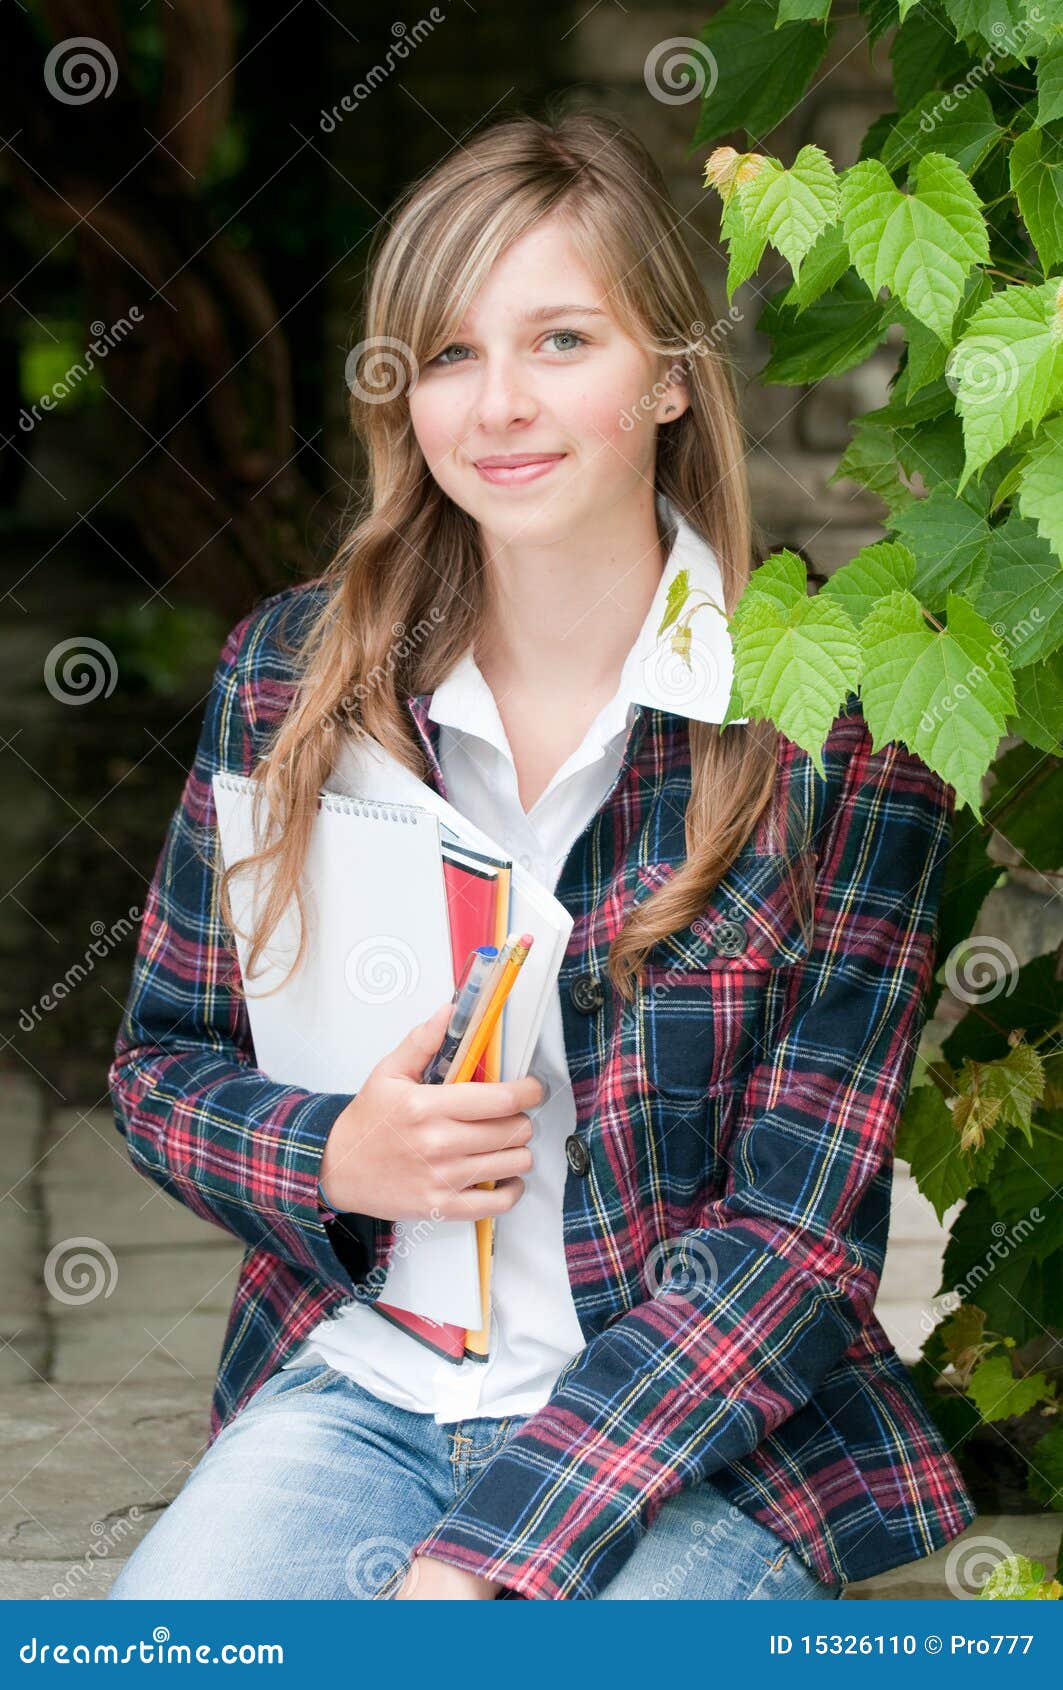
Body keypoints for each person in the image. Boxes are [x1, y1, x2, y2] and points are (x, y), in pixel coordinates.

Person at [106, 106, 977, 1601]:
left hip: (701, 1431)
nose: (498, 403)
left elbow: (798, 1237)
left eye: (562, 340)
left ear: (672, 381)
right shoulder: (292, 677)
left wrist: (496, 1557)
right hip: (367, 1389)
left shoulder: (830, 721)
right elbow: (159, 1067)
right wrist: (338, 1154)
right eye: (449, 354)